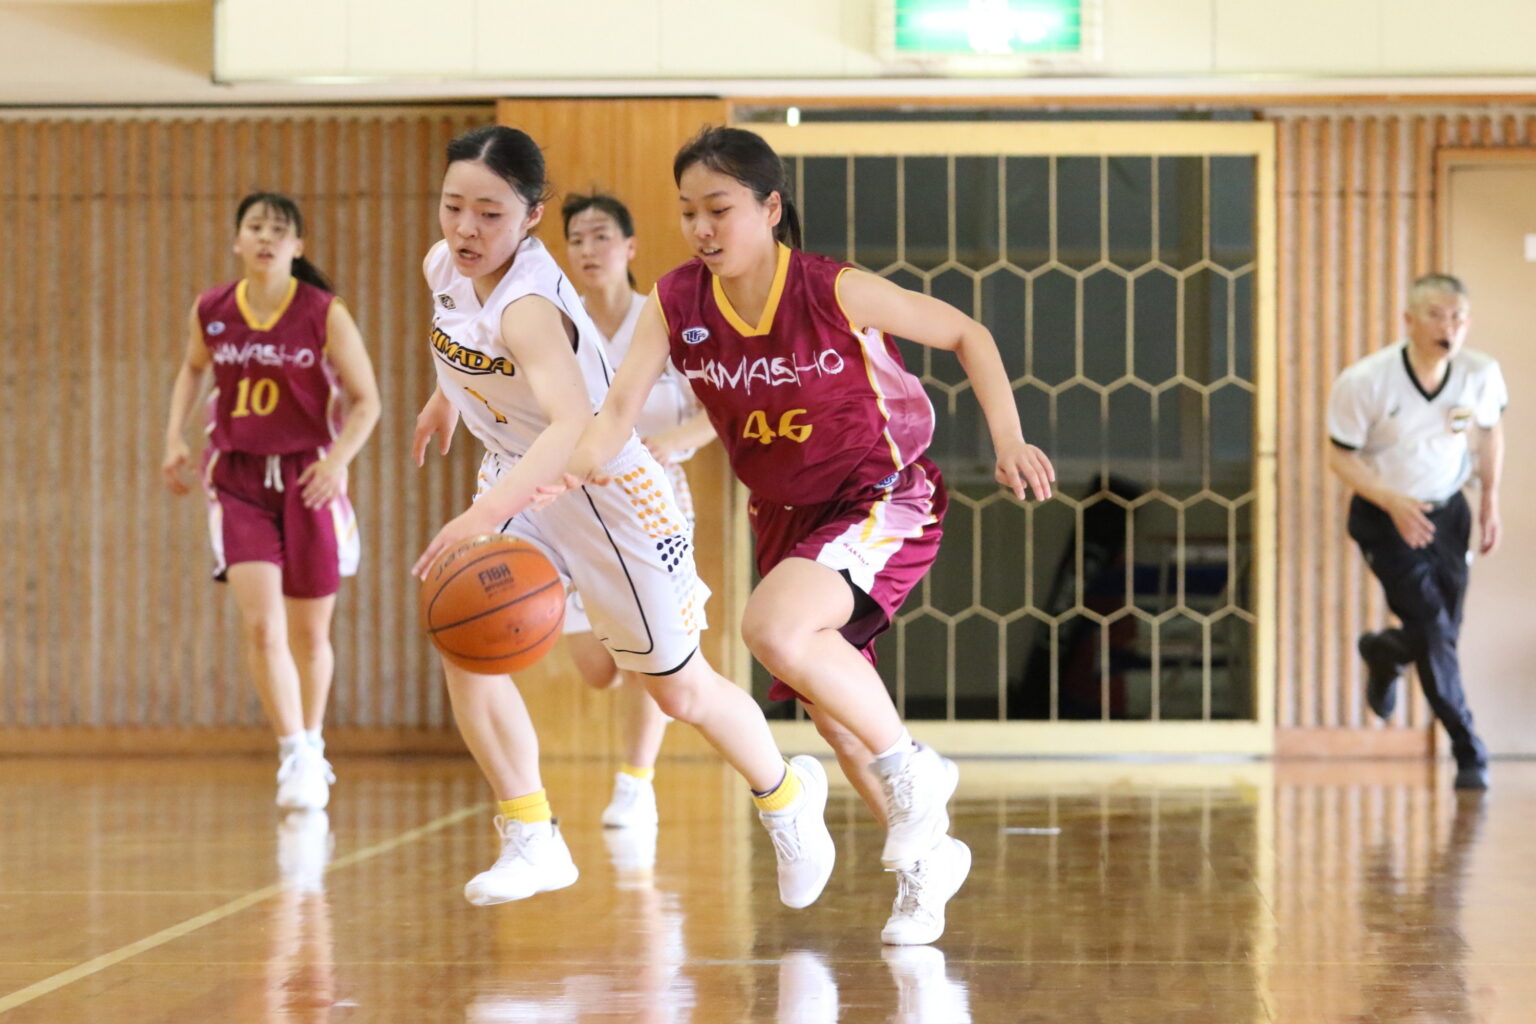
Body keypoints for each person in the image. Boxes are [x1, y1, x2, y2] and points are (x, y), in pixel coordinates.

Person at [551, 126, 1056, 944]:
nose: (702, 229)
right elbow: (613, 419)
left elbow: (970, 334)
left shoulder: (831, 289)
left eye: (719, 208)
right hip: (786, 519)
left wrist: (1007, 438)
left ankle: (914, 770)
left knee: (771, 629)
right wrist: (545, 486)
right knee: (832, 717)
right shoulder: (676, 302)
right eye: (687, 213)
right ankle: (929, 866)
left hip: (881, 495)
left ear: (770, 206)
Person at [409, 125, 833, 910]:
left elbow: (573, 426)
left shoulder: (531, 304)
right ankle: (532, 834)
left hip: (605, 493)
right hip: (521, 475)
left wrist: (483, 515)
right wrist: (448, 396)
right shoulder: (447, 262)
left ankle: (785, 795)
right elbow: (462, 338)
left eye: (491, 214)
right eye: (453, 206)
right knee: (461, 632)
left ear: (533, 217)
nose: (466, 229)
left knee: (679, 690)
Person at [162, 192, 381, 811]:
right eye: (255, 227)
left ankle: (312, 740)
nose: (266, 237)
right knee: (262, 626)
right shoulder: (212, 309)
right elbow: (190, 368)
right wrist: (173, 435)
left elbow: (367, 401)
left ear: (297, 246)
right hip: (238, 477)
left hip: (310, 477)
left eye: (278, 230)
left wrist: (338, 463)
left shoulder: (323, 312)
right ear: (237, 240)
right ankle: (294, 752)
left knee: (311, 634)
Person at [559, 191, 717, 833]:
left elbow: (720, 409)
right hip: (574, 501)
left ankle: (635, 782)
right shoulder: (560, 326)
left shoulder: (666, 316)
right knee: (600, 668)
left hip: (654, 500)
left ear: (629, 248)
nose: (588, 250)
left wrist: (675, 442)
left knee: (647, 651)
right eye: (577, 239)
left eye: (601, 237)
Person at [1326, 273, 1506, 790]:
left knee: (1443, 629)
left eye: (1457, 317)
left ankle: (1384, 652)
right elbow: (1340, 456)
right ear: (1408, 320)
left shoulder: (1480, 373)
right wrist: (1391, 501)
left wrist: (1489, 498)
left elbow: (1492, 431)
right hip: (1385, 518)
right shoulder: (1366, 381)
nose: (1448, 326)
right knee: (1432, 629)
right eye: (1435, 314)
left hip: (1448, 514)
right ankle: (1468, 748)